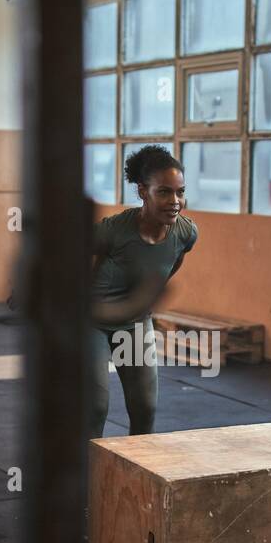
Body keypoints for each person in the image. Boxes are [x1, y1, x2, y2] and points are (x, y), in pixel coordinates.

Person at [89, 145, 197, 439]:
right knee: (95, 408)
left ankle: (137, 481)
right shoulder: (114, 230)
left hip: (135, 322)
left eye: (180, 192)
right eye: (164, 192)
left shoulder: (185, 233)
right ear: (142, 192)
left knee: (145, 409)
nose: (175, 201)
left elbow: (170, 264)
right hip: (91, 324)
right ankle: (86, 480)